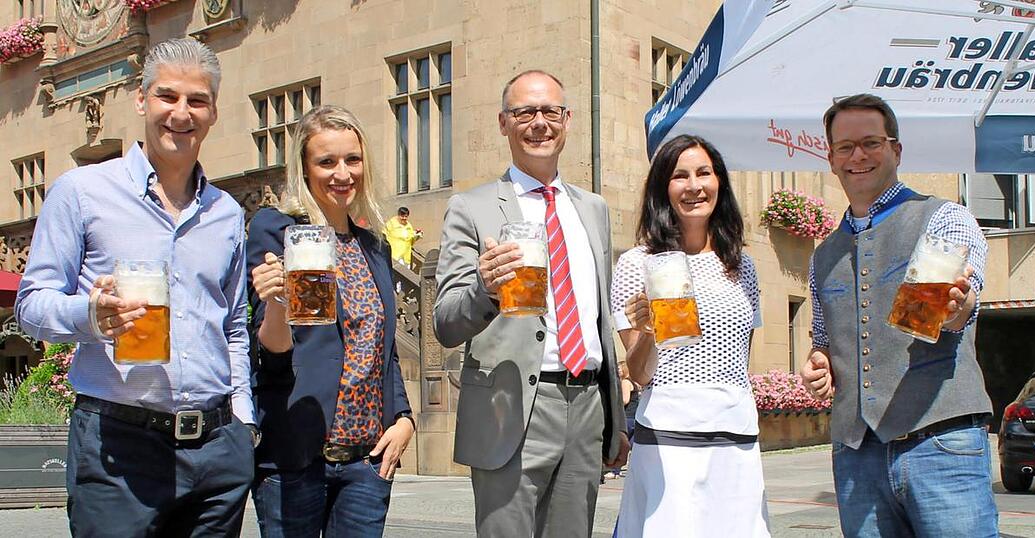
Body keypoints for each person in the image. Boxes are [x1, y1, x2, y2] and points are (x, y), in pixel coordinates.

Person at [14, 38, 256, 536]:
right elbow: (30, 306)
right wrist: (90, 315)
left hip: (215, 449)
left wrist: (244, 423)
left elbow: (232, 325)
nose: (181, 113)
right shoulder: (82, 193)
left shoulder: (227, 214)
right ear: (141, 100)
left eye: (197, 101)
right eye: (168, 97)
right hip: (118, 448)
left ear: (213, 113)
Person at [434, 70, 629, 537]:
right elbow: (445, 322)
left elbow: (599, 320)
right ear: (504, 123)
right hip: (512, 406)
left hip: (585, 407)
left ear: (567, 120)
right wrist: (485, 289)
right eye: (524, 112)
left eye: (549, 111)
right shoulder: (472, 207)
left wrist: (614, 420)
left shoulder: (593, 209)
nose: (538, 123)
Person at [800, 93, 997, 537]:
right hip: (857, 454)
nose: (858, 156)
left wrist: (956, 306)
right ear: (831, 159)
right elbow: (823, 340)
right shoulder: (824, 255)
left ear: (896, 150)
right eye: (845, 147)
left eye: (871, 142)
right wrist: (819, 363)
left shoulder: (944, 219)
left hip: (940, 443)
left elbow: (961, 307)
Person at [247, 105, 414, 536]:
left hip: (366, 459)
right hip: (297, 452)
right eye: (326, 162)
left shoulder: (373, 246)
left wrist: (404, 418)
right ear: (304, 168)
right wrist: (278, 301)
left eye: (352, 160)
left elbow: (383, 348)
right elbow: (271, 350)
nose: (342, 173)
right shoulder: (278, 230)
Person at [611, 135, 770, 537]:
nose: (694, 186)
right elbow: (640, 373)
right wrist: (646, 333)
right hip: (669, 442)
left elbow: (738, 363)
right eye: (680, 176)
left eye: (704, 173)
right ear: (663, 188)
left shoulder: (742, 266)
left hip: (735, 438)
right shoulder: (637, 264)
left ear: (720, 182)